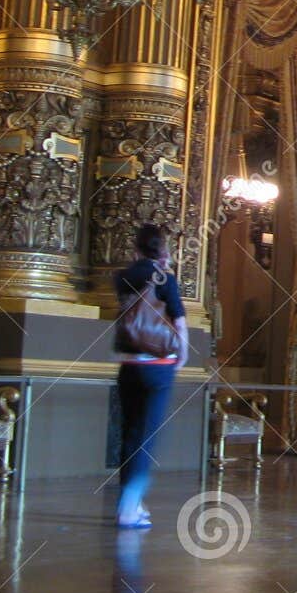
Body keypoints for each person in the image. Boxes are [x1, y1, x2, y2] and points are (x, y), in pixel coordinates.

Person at [113, 223, 188, 530]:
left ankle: (132, 502)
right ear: (162, 250)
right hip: (158, 366)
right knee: (146, 439)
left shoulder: (122, 277)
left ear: (137, 248)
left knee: (130, 435)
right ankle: (129, 508)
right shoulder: (166, 278)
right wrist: (182, 355)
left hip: (128, 364)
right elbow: (179, 321)